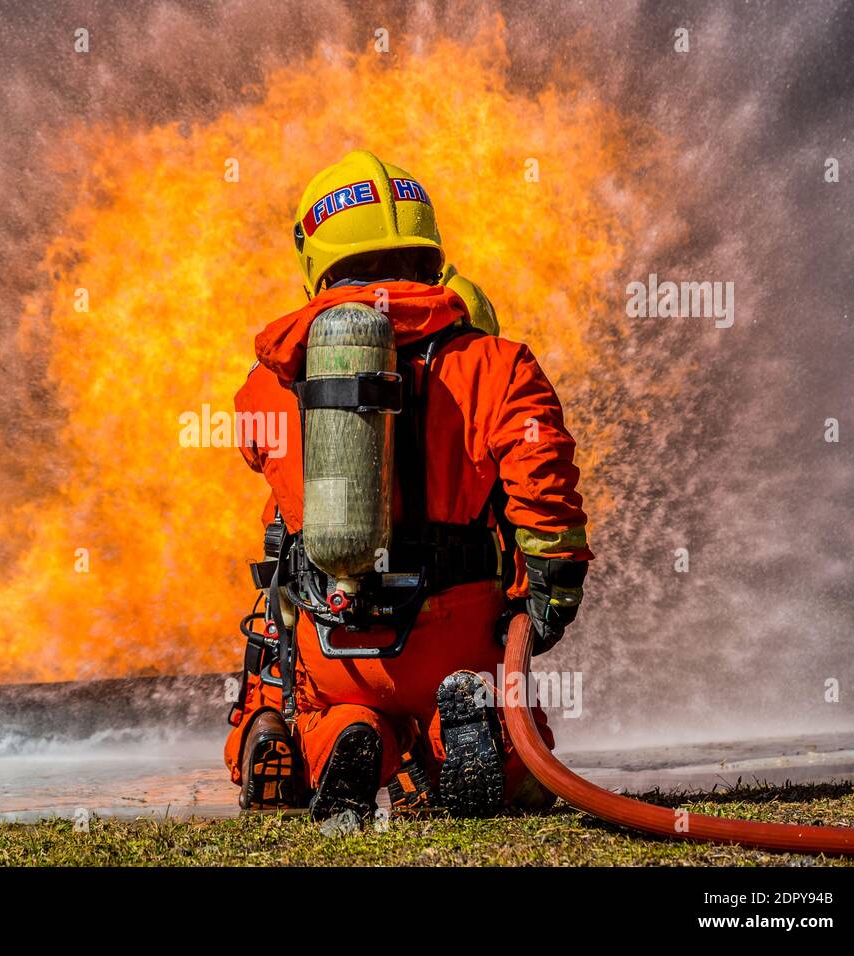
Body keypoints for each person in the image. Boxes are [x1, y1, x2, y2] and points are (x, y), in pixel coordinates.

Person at [225, 150, 592, 820]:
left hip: (337, 641)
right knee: (520, 756)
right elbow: (546, 491)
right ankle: (466, 729)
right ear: (429, 250)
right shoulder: (498, 363)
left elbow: (274, 489)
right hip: (458, 633)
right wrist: (552, 593)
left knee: (316, 704)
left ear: (318, 257)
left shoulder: (267, 384)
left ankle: (346, 733)